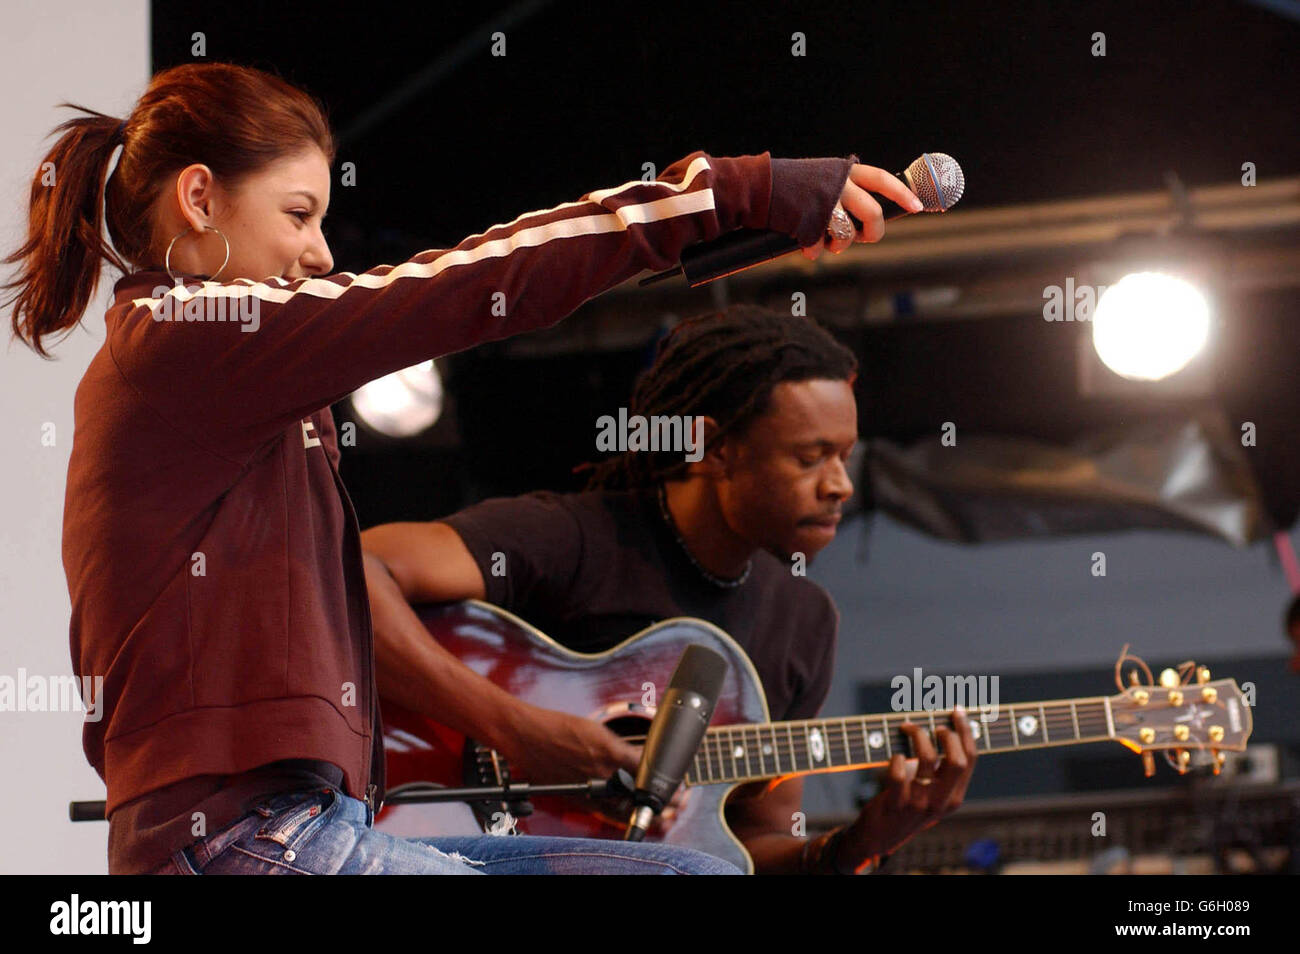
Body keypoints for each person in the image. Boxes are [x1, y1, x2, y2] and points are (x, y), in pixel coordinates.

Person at [2, 61, 923, 874]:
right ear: (199, 200)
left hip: (306, 824)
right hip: (242, 841)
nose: (321, 252)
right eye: (298, 214)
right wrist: (729, 193)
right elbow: (468, 288)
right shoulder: (184, 338)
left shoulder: (217, 369)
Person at [361, 306, 977, 874]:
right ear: (713, 449)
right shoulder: (575, 537)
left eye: (844, 456)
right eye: (811, 457)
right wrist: (517, 730)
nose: (840, 485)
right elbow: (356, 568)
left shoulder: (803, 621)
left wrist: (859, 843)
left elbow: (749, 844)